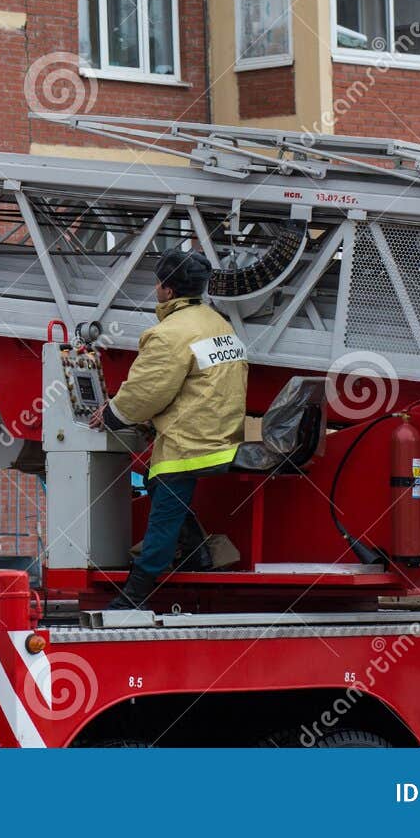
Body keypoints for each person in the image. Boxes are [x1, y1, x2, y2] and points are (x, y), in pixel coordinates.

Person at [90, 248, 247, 610]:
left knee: (164, 506)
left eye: (158, 282)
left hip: (191, 442)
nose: (156, 288)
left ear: (170, 291)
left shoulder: (169, 334)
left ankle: (135, 595)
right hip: (223, 434)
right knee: (154, 481)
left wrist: (112, 415)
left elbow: (147, 391)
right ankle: (197, 553)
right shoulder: (219, 324)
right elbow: (195, 387)